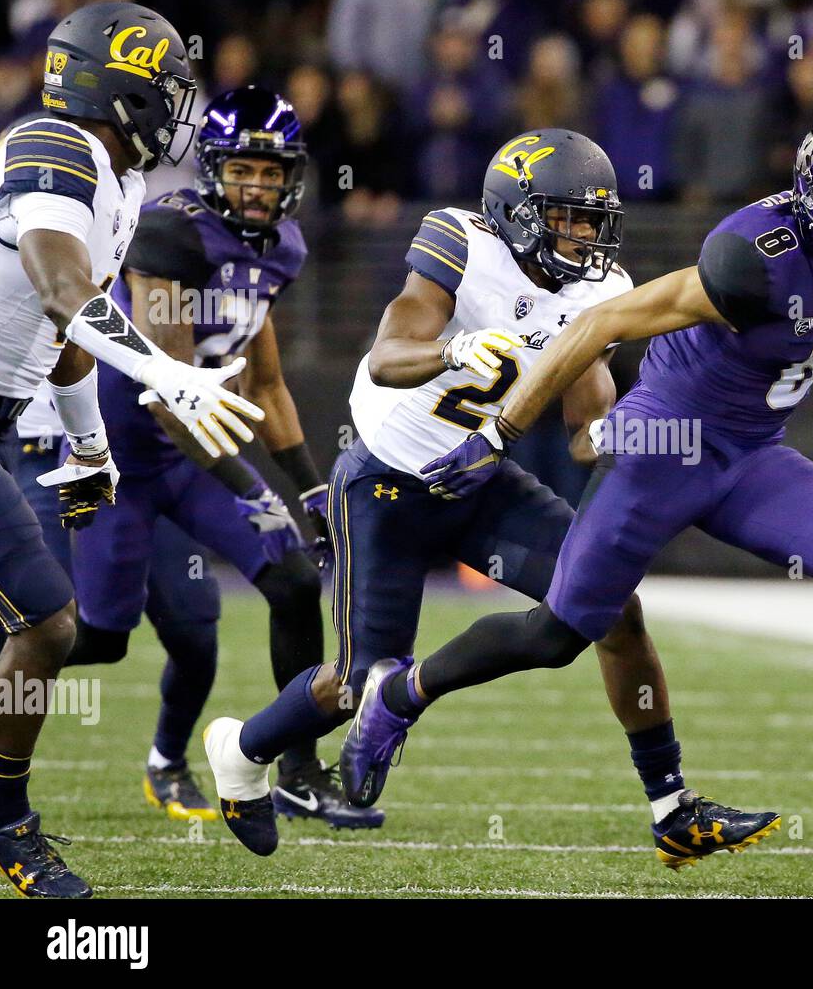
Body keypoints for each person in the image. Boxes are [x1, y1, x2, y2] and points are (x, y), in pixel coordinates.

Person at [351, 112, 813, 837]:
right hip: (662, 445)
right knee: (557, 636)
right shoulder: (751, 257)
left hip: (752, 451)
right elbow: (598, 325)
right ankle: (398, 695)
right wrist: (500, 431)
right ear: (811, 199)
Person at [203, 128, 779, 867]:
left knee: (613, 607)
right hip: (385, 480)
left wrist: (649, 440)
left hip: (479, 479)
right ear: (515, 212)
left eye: (592, 221)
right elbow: (385, 359)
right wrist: (451, 350)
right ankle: (240, 750)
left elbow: (585, 430)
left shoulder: (600, 291)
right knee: (353, 685)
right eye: (565, 217)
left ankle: (673, 807)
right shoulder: (459, 242)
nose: (583, 239)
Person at [0, 1, 263, 899]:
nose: (177, 109)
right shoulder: (51, 144)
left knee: (48, 627)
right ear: (117, 89)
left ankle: (5, 827)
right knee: (48, 626)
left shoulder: (123, 184)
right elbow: (62, 286)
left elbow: (67, 339)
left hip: (4, 421)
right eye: (164, 90)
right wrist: (167, 371)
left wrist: (91, 445)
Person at [65, 86, 382, 833]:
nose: (260, 187)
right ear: (212, 168)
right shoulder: (172, 239)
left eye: (273, 174)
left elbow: (264, 381)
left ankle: (297, 773)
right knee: (101, 639)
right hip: (121, 457)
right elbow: (171, 402)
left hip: (183, 460)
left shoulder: (283, 248)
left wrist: (311, 490)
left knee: (293, 581)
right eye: (245, 169)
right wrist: (257, 488)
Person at [0, 385, 222, 823]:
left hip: (130, 458)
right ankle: (5, 792)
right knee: (39, 621)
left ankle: (167, 761)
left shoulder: (184, 316)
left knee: (192, 623)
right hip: (40, 451)